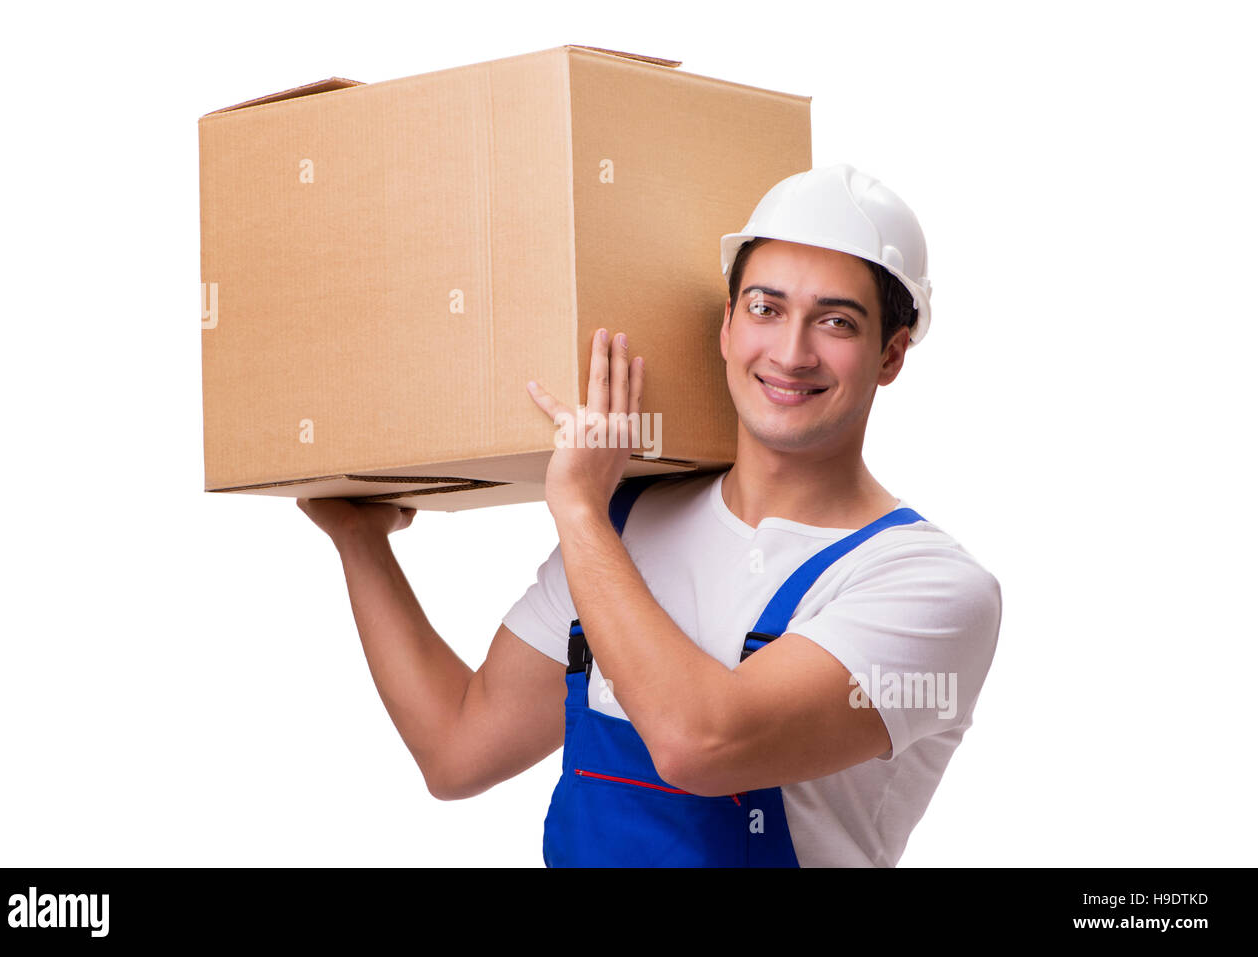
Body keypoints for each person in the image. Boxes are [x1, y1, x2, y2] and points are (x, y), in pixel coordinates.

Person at [298, 164, 1002, 867]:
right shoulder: (628, 526)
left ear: (891, 353)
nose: (791, 351)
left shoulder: (931, 587)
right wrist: (360, 541)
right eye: (765, 308)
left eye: (836, 321)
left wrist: (577, 509)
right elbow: (456, 748)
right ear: (726, 326)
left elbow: (703, 743)